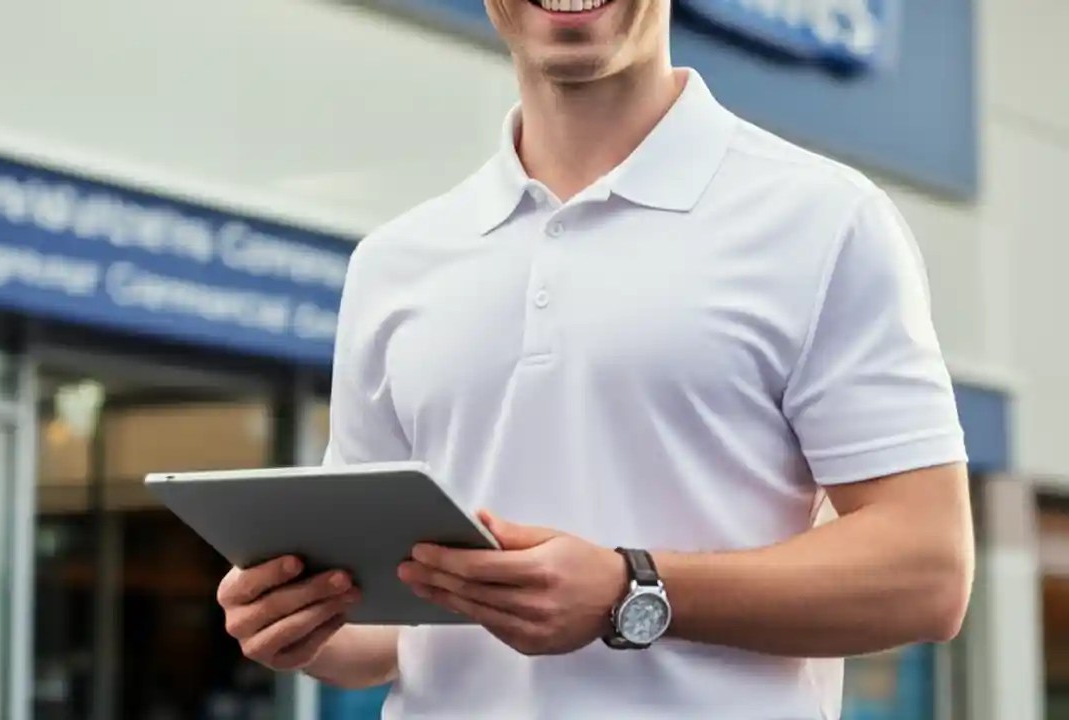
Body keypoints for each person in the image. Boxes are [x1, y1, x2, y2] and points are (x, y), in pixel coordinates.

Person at [216, 0, 974, 716]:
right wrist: (303, 620)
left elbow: (928, 572)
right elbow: (388, 629)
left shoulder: (825, 221)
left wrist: (630, 588)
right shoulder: (394, 263)